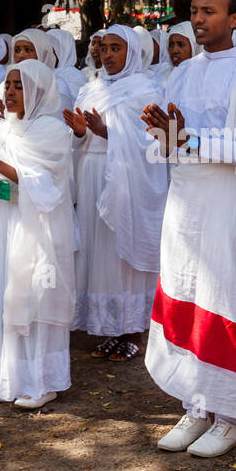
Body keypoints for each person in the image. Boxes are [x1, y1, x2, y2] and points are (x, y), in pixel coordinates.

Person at [142, 0, 236, 459]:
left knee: (225, 295)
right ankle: (195, 405)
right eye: (194, 10)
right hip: (186, 201)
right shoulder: (179, 75)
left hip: (230, 205)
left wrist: (188, 140)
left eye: (209, 12)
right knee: (187, 293)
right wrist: (164, 136)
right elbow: (163, 146)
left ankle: (231, 416)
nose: (199, 19)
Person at [0, 60, 76, 409]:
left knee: (35, 298)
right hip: (5, 226)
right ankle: (5, 377)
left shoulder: (52, 131)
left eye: (19, 85)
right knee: (1, 298)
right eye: (7, 85)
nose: (9, 92)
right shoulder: (3, 131)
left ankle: (42, 382)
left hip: (40, 230)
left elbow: (44, 187)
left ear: (39, 89)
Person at [64, 25, 168, 360]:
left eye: (115, 48)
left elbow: (152, 143)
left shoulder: (146, 90)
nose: (107, 55)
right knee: (99, 252)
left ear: (132, 52)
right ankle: (110, 327)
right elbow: (77, 142)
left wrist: (105, 131)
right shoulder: (90, 89)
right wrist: (82, 133)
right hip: (93, 172)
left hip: (128, 180)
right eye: (104, 48)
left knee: (121, 250)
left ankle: (133, 329)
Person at [49, 28, 90, 108]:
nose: (46, 53)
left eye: (51, 49)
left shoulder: (75, 76)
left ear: (62, 51)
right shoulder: (42, 72)